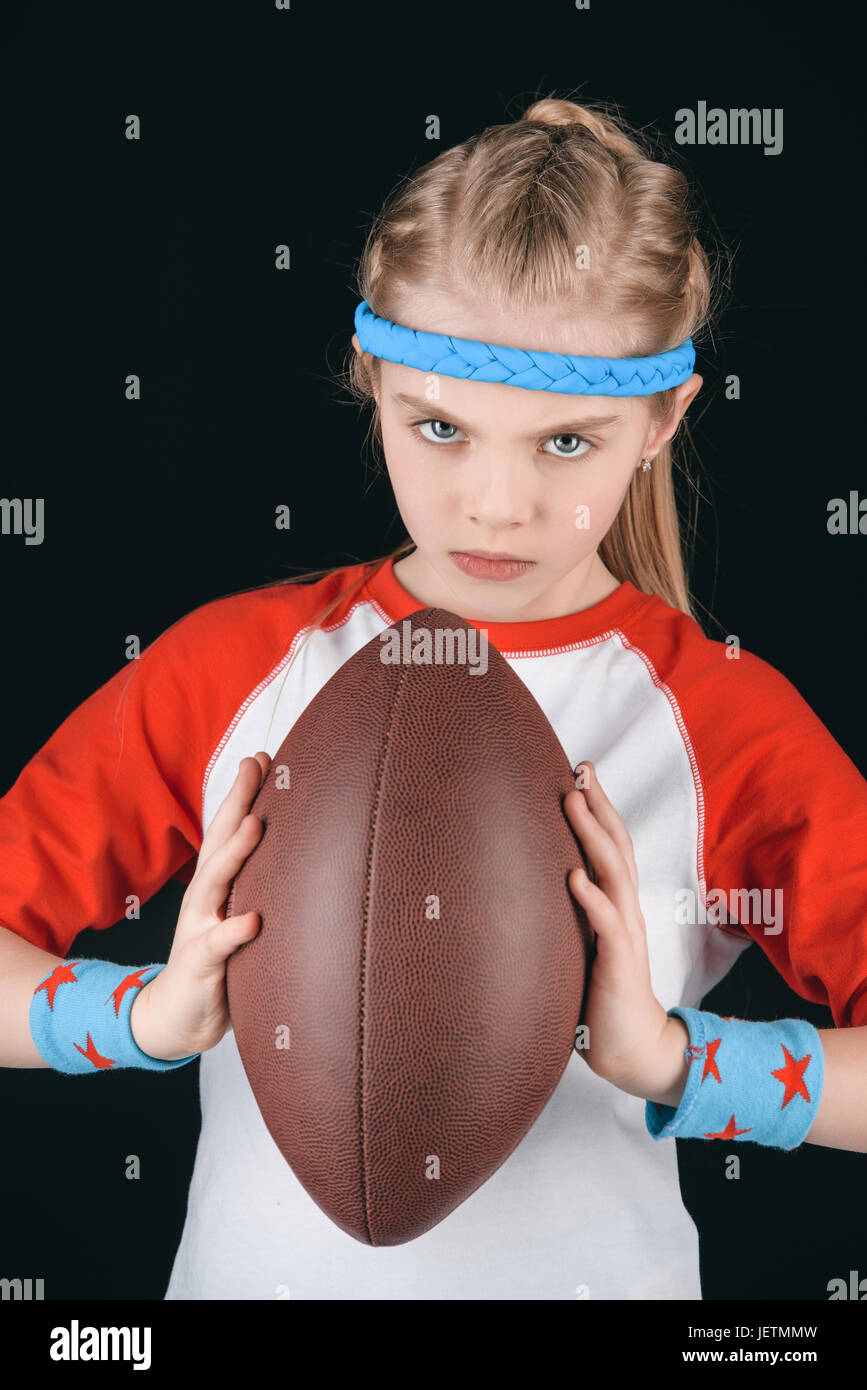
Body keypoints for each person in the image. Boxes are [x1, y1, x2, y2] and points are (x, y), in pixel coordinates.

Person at [2, 96, 866, 1302]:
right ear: (371, 377)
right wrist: (140, 1016)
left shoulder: (720, 718)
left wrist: (676, 1059)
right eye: (442, 428)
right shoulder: (232, 666)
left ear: (664, 418)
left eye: (566, 443)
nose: (496, 505)